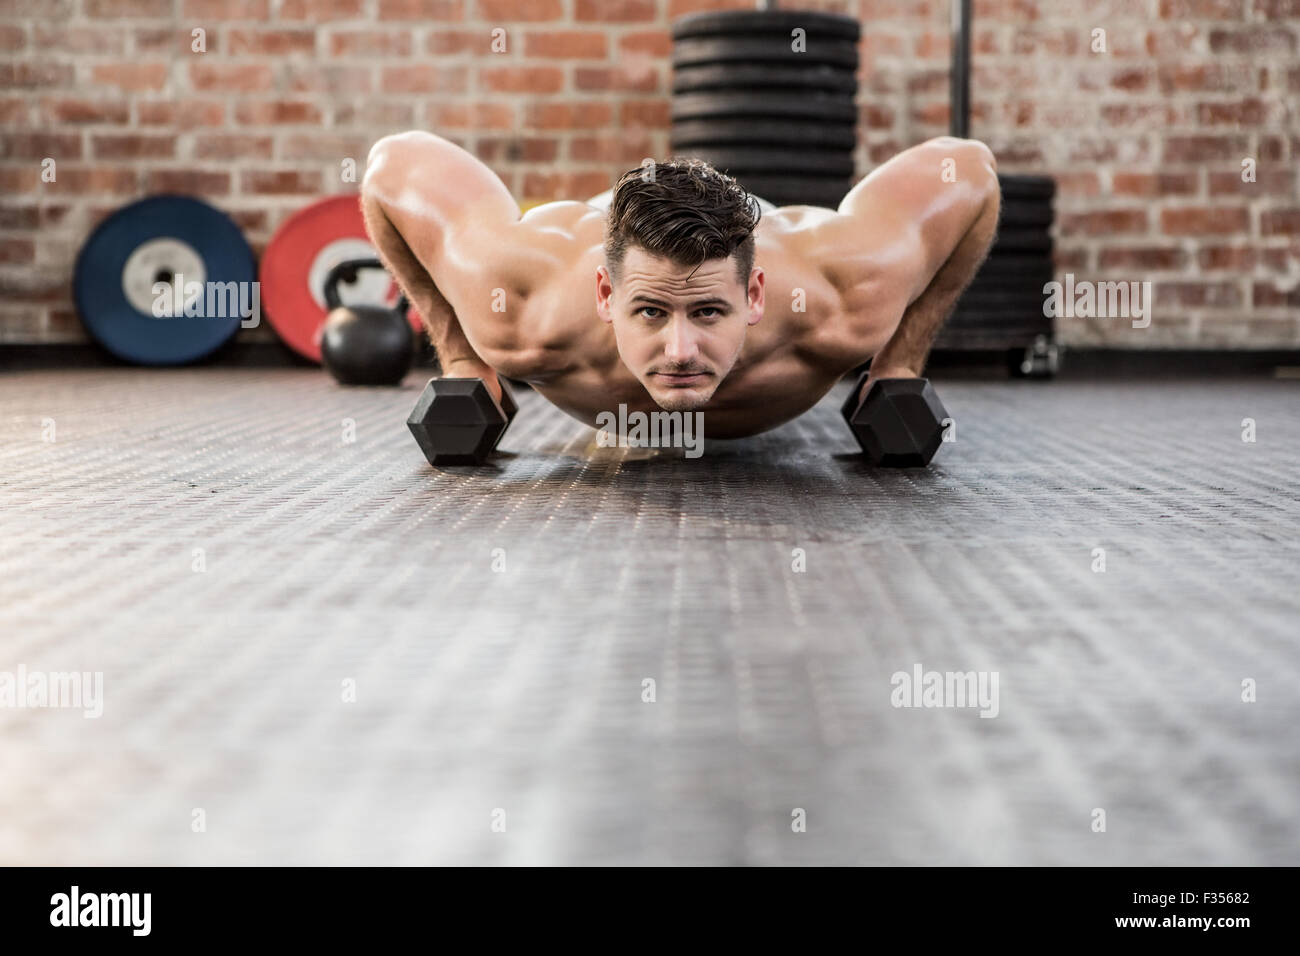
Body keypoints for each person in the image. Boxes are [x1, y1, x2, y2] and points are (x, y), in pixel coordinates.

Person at [361, 132, 999, 440]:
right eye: (649, 312)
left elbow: (971, 171)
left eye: (709, 312)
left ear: (755, 297)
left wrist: (899, 364)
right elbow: (392, 166)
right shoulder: (519, 310)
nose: (681, 351)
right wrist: (464, 358)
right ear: (605, 297)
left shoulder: (844, 299)